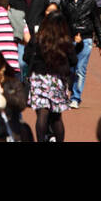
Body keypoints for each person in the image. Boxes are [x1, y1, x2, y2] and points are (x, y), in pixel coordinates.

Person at [26, 12, 74, 142]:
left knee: (42, 114)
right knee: (56, 116)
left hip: (39, 78)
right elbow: (73, 60)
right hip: (57, 79)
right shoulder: (64, 40)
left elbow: (26, 56)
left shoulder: (37, 38)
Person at [60, 0, 101, 108]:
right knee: (70, 69)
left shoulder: (90, 1)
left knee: (80, 69)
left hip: (85, 39)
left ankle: (76, 97)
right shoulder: (64, 2)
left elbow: (96, 21)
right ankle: (68, 91)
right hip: (69, 39)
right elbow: (62, 21)